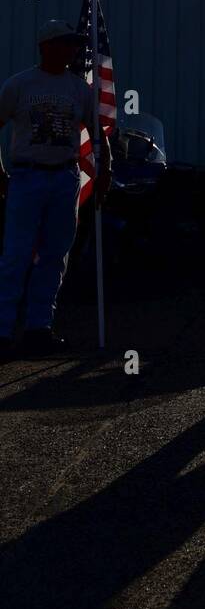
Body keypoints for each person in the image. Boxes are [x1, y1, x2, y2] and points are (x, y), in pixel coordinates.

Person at [0, 19, 112, 358]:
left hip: (65, 178)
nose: (72, 50)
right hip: (27, 177)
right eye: (65, 43)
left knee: (54, 256)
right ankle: (3, 331)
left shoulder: (79, 89)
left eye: (74, 44)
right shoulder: (19, 85)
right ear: (46, 46)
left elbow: (97, 133)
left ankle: (39, 328)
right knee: (16, 256)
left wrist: (104, 169)